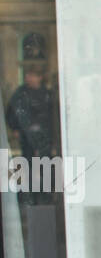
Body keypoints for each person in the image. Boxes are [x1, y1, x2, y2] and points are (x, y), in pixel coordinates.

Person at [6, 65, 59, 202]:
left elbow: (53, 117)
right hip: (27, 139)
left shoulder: (46, 94)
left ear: (40, 78)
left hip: (45, 139)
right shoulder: (20, 93)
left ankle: (45, 196)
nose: (29, 78)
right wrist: (15, 129)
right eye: (28, 75)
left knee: (45, 166)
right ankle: (31, 196)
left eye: (33, 75)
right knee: (28, 166)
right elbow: (11, 113)